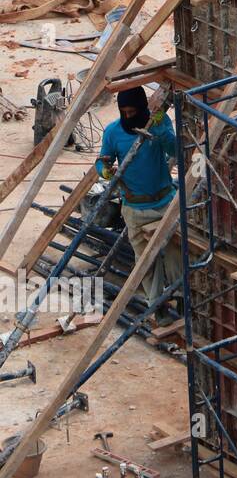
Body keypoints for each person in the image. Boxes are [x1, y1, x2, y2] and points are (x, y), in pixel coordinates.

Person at [95, 86, 181, 313]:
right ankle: (157, 307)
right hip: (135, 208)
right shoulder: (113, 132)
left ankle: (181, 297)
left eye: (133, 112)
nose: (129, 116)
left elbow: (176, 150)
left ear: (143, 109)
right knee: (146, 260)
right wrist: (105, 171)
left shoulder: (158, 123)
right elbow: (101, 162)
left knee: (175, 254)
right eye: (124, 112)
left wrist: (161, 128)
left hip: (165, 202)